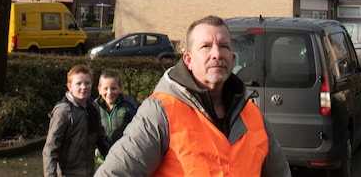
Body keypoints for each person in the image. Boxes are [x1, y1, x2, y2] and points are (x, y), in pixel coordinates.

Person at [95, 15, 290, 177]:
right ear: (188, 60)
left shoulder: (254, 116)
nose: (217, 54)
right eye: (205, 46)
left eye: (224, 46)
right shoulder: (160, 112)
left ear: (233, 59)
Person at [44, 64, 111, 177]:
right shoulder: (63, 111)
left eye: (87, 83)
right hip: (67, 173)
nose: (83, 87)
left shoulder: (93, 108)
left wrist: (112, 159)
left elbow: (101, 138)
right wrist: (50, 174)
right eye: (78, 83)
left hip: (88, 171)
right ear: (69, 86)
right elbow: (51, 148)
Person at [96, 69, 137, 164]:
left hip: (123, 159)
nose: (109, 93)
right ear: (99, 89)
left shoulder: (128, 108)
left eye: (113, 88)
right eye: (105, 89)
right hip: (102, 161)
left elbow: (136, 131)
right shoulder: (95, 108)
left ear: (120, 88)